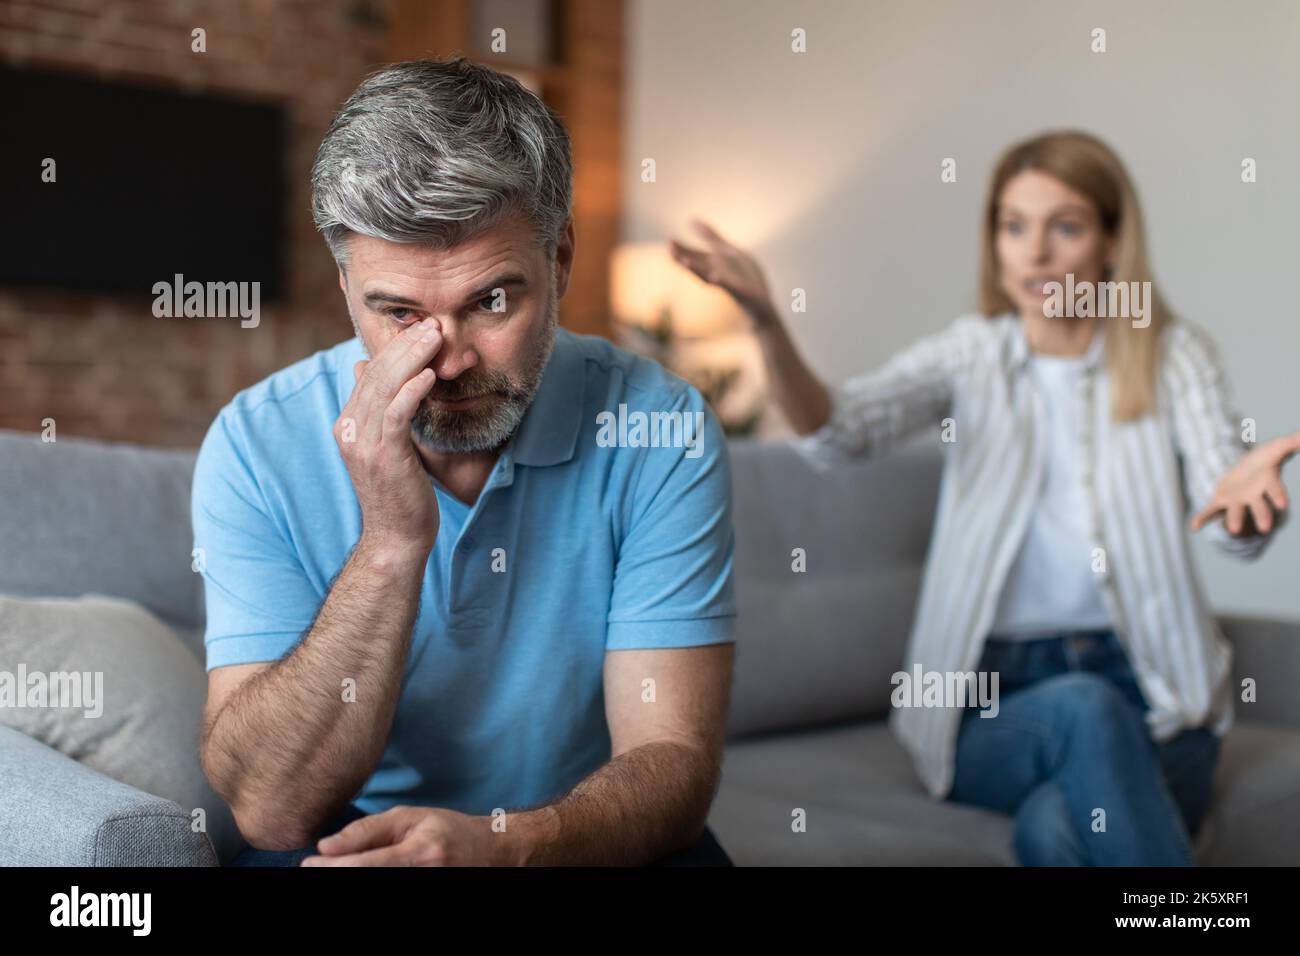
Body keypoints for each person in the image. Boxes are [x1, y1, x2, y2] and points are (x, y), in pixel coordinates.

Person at [670, 129, 1298, 865]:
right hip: (994, 701)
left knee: (1057, 831)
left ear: (1110, 241)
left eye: (1064, 226)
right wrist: (767, 322)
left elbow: (1231, 509)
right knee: (1083, 712)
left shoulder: (1173, 355)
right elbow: (839, 430)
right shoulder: (971, 355)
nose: (1034, 254)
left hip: (1157, 694)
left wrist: (1248, 507)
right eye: (1013, 226)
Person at [193, 58, 736, 867]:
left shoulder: (661, 428)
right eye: (398, 312)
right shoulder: (254, 444)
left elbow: (675, 766)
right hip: (352, 836)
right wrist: (390, 543)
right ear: (346, 287)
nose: (445, 363)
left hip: (578, 837)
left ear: (561, 260)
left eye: (489, 302)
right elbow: (272, 810)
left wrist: (505, 847)